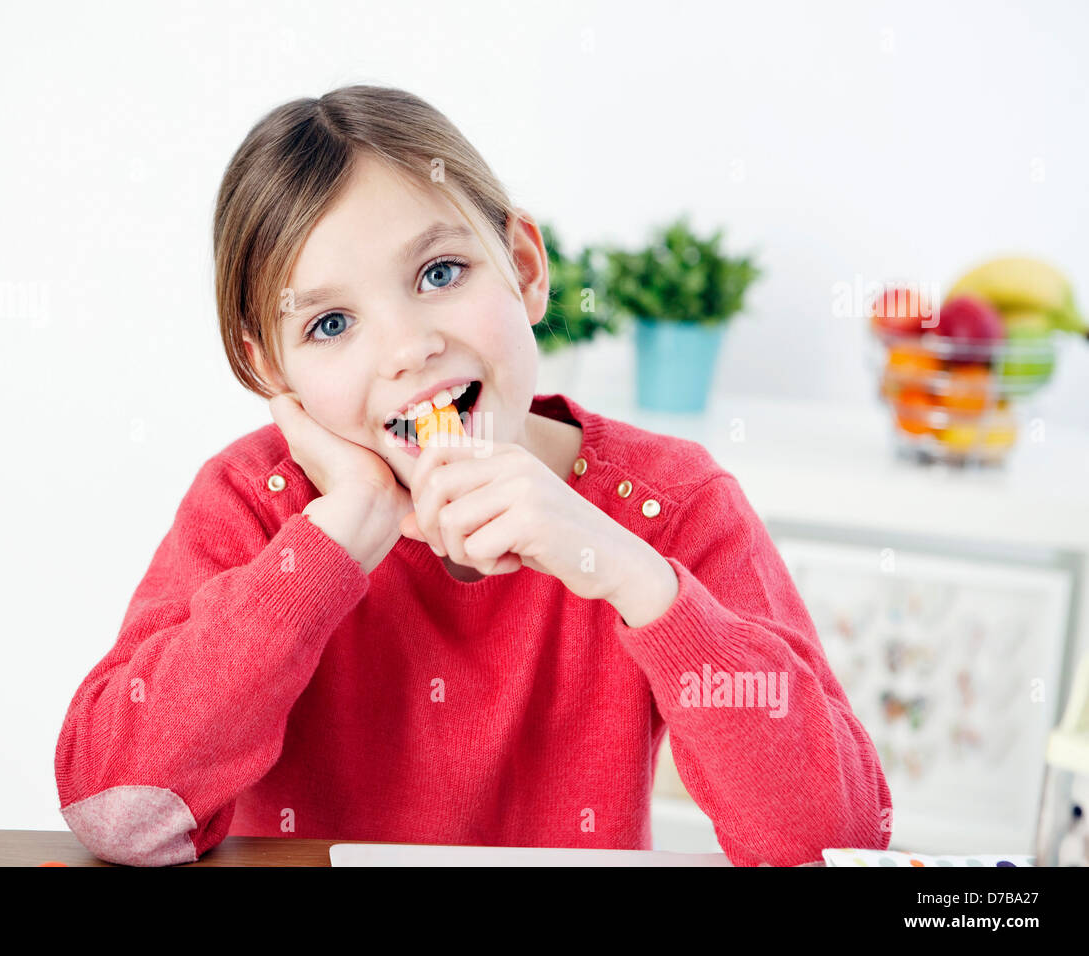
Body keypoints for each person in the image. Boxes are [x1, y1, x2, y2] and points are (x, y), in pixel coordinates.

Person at [53, 84, 892, 867]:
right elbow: (116, 811)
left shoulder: (666, 504)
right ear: (267, 365)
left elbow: (836, 843)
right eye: (332, 323)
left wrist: (634, 576)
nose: (409, 347)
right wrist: (332, 542)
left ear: (524, 267)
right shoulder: (253, 505)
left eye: (440, 274)